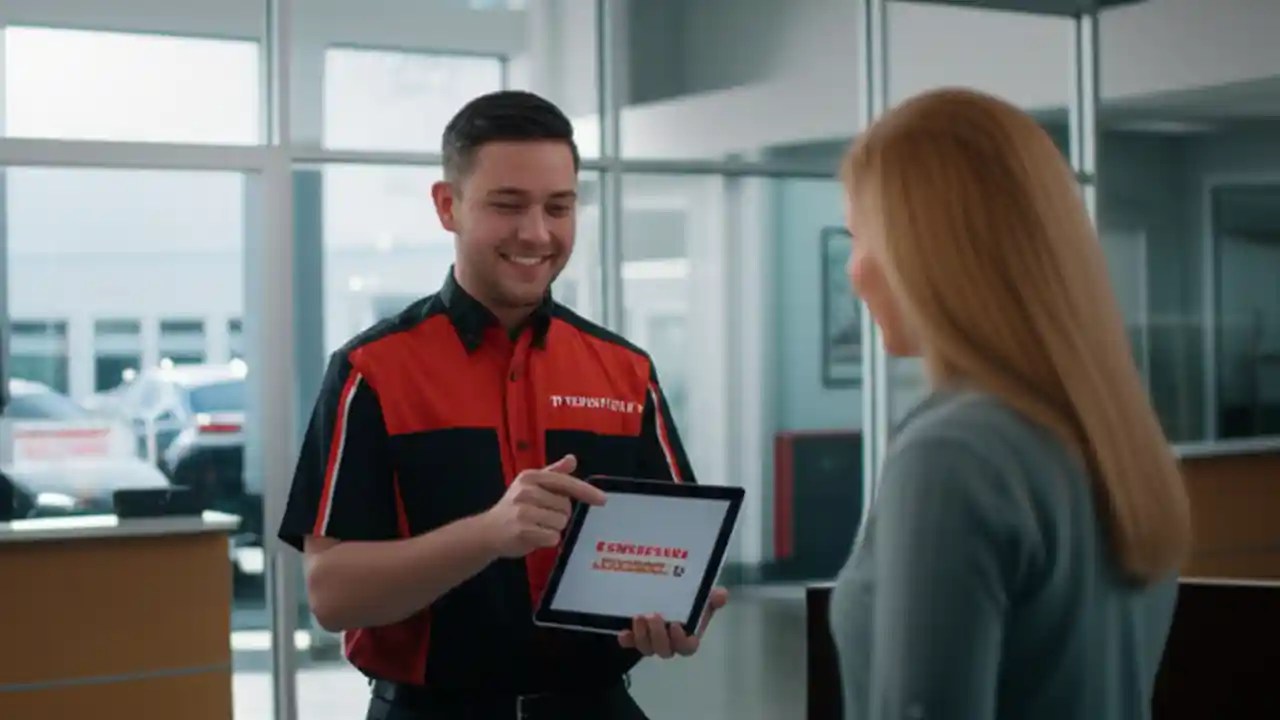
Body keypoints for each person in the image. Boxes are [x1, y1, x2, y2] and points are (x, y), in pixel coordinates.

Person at [278, 90, 726, 720]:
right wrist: (487, 535)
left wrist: (680, 610)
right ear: (447, 206)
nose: (537, 233)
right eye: (508, 205)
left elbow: (676, 559)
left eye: (558, 207)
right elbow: (332, 596)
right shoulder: (370, 372)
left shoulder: (626, 371)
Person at [829, 87, 1191, 720]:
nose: (854, 270)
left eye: (861, 237)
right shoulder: (1113, 438)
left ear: (928, 252)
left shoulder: (954, 454)